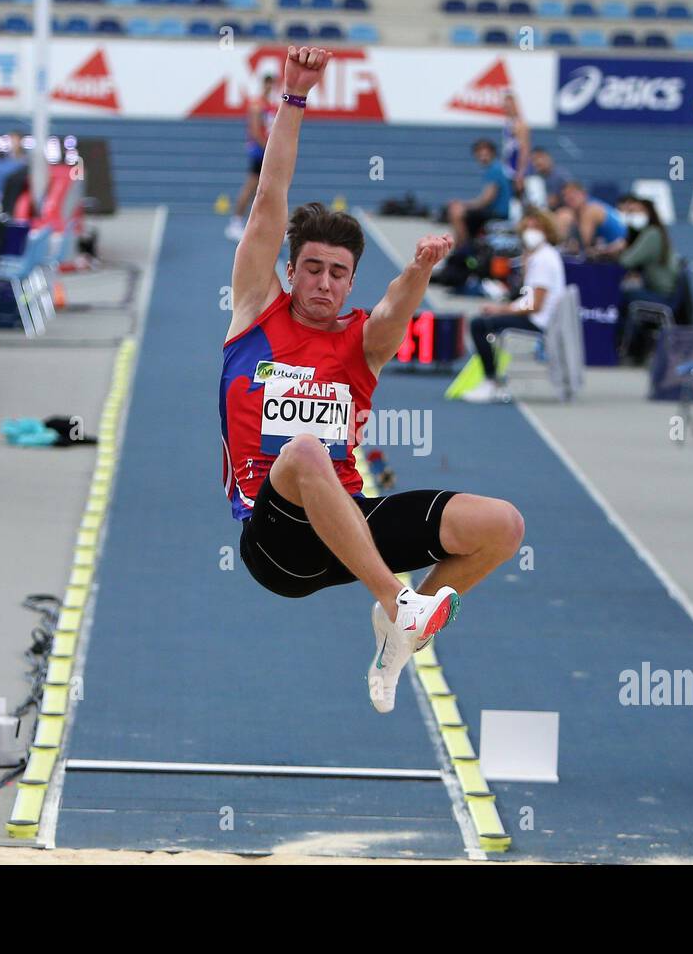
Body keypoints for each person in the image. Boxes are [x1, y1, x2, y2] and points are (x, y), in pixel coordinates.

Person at [221, 47, 526, 715]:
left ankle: (397, 631)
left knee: (502, 526)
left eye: (337, 273)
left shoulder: (362, 343)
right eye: (311, 268)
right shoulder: (255, 315)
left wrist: (419, 268)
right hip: (277, 545)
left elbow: (394, 309)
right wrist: (295, 96)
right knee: (303, 451)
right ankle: (400, 602)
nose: (323, 282)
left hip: (349, 531)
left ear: (350, 282)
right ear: (290, 270)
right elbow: (270, 200)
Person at [461, 209, 566, 404]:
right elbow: (529, 297)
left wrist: (501, 310)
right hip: (537, 315)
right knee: (486, 319)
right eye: (527, 226)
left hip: (539, 320)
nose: (530, 231)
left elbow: (535, 305)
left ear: (546, 230)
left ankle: (491, 381)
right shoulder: (539, 256)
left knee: (479, 325)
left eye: (536, 227)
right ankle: (491, 380)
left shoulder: (544, 260)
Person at [615, 195, 683, 363]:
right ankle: (632, 345)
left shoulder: (652, 234)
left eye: (637, 211)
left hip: (662, 294)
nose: (632, 215)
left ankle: (626, 346)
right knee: (627, 293)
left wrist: (618, 250)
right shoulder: (654, 232)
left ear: (649, 213)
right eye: (630, 211)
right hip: (660, 290)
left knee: (622, 296)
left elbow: (627, 261)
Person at [226, 74, 278, 242]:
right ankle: (235, 222)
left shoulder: (271, 105)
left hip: (266, 149)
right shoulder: (257, 105)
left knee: (269, 188)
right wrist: (267, 149)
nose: (271, 87)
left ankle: (269, 225)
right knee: (251, 186)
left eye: (273, 85)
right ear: (264, 84)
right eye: (268, 84)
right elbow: (256, 131)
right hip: (259, 151)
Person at [447, 139, 513, 249]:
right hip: (494, 213)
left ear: (492, 153)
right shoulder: (497, 168)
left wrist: (462, 205)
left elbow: (486, 200)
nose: (483, 157)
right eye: (479, 154)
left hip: (498, 214)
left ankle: (463, 249)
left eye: (485, 154)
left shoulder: (494, 169)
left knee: (456, 212)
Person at [554, 180, 627, 258]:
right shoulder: (578, 211)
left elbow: (584, 246)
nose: (568, 197)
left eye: (573, 193)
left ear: (584, 194)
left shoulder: (590, 210)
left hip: (621, 252)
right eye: (565, 195)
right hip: (609, 250)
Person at [500, 88, 530, 200]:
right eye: (505, 106)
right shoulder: (508, 124)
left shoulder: (519, 125)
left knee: (520, 199)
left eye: (510, 106)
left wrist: (520, 174)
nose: (507, 109)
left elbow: (524, 149)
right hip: (509, 168)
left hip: (516, 169)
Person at [524, 147, 573, 212]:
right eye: (533, 160)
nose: (537, 162)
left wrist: (558, 199)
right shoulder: (533, 179)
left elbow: (571, 195)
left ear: (548, 158)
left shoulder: (561, 175)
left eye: (540, 157)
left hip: (559, 210)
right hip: (540, 212)